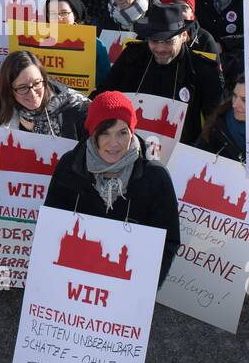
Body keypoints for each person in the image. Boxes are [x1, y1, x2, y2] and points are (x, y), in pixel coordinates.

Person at [44, 91, 180, 287]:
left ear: (132, 131)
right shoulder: (71, 165)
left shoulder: (155, 177)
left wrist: (146, 290)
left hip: (124, 288)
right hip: (71, 285)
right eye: (105, 132)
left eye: (122, 132)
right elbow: (52, 225)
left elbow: (168, 242)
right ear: (92, 134)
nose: (114, 143)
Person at [98, 0, 224, 145]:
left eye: (168, 42)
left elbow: (215, 123)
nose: (160, 49)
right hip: (130, 146)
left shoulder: (203, 70)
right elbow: (104, 95)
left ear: (183, 36)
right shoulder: (132, 57)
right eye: (154, 41)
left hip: (180, 150)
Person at [0, 49, 89, 139]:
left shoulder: (74, 106)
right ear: (9, 90)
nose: (32, 93)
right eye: (23, 87)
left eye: (37, 83)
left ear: (44, 78)